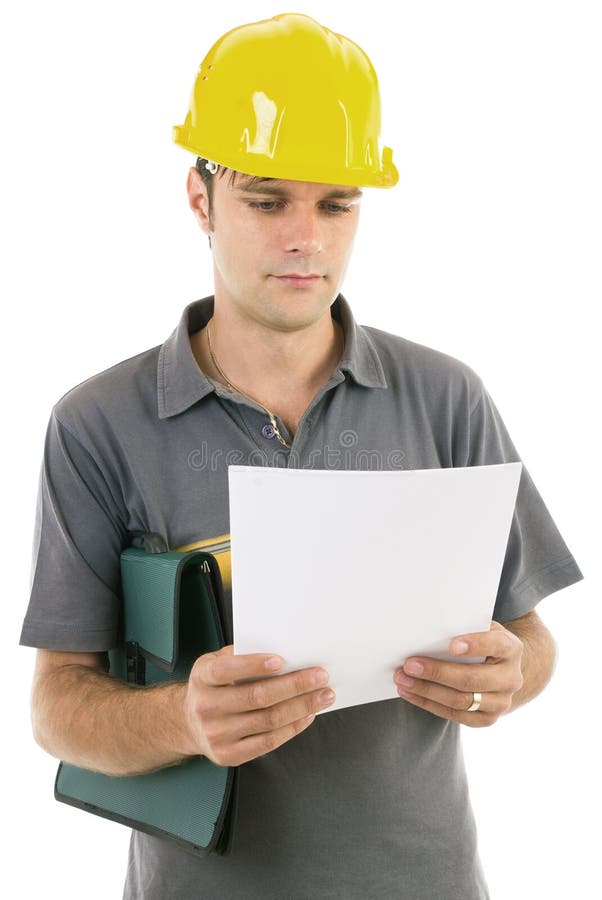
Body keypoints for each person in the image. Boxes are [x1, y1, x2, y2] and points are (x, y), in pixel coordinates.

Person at [20, 13, 583, 900]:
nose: (307, 239)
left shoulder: (447, 397)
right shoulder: (98, 424)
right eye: (267, 199)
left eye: (337, 204)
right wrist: (182, 720)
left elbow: (529, 636)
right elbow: (58, 705)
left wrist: (509, 676)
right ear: (200, 199)